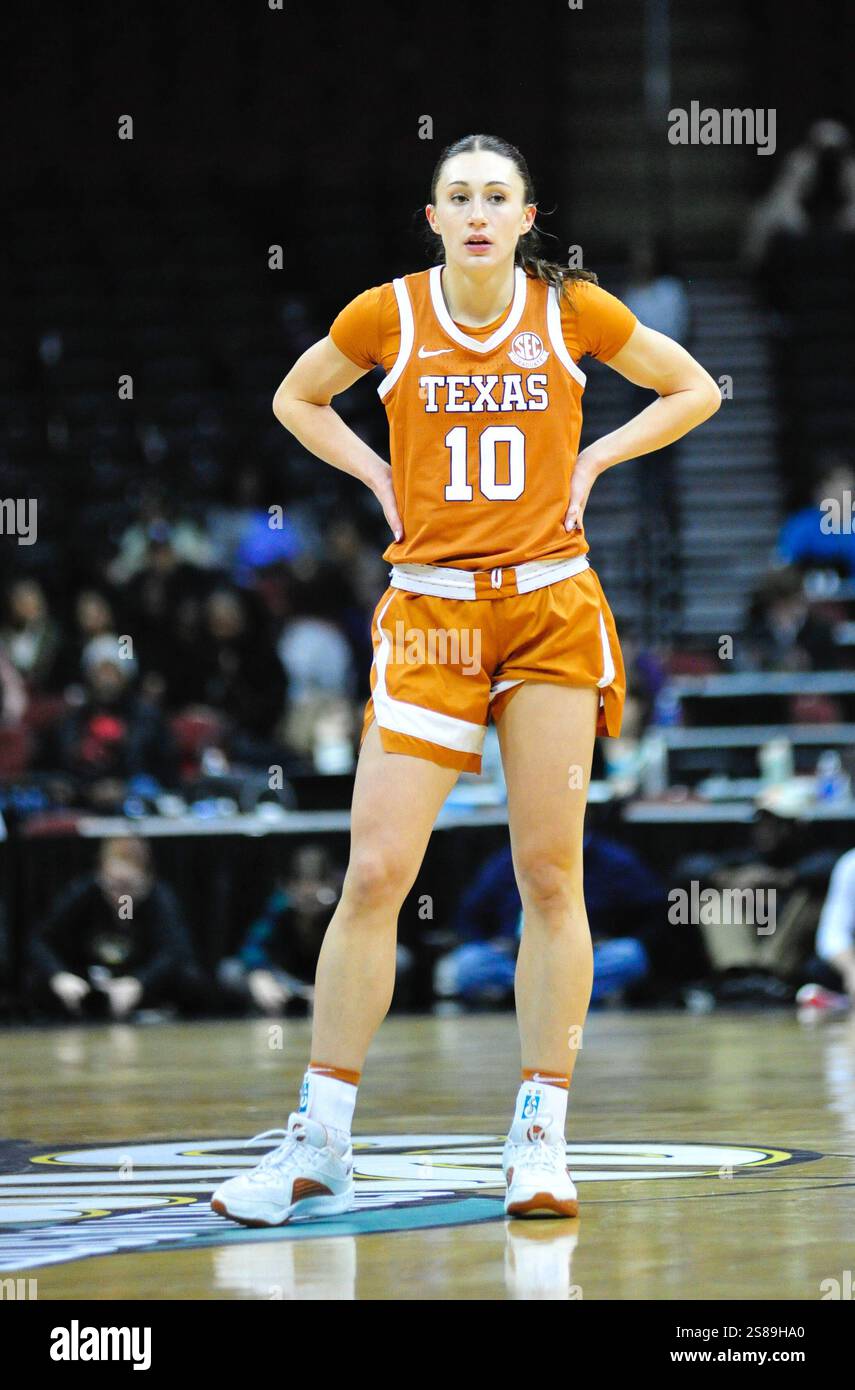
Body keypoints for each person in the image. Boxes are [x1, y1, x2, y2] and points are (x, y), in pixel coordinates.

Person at [211, 132, 721, 1227]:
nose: (480, 211)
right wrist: (374, 470)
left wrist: (596, 457)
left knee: (549, 874)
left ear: (528, 216)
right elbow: (297, 401)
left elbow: (690, 390)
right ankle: (321, 1140)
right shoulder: (385, 314)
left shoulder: (572, 309)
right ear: (433, 215)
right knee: (376, 870)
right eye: (460, 195)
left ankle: (540, 1134)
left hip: (549, 608)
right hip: (435, 613)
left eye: (499, 195)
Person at [27, 837, 209, 1020]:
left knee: (190, 980)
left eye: (127, 887)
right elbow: (41, 940)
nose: (120, 896)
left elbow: (173, 951)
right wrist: (59, 975)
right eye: (112, 886)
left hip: (139, 984)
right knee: (37, 983)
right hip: (89, 981)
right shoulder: (85, 893)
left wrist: (139, 982)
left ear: (146, 879)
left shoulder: (154, 900)